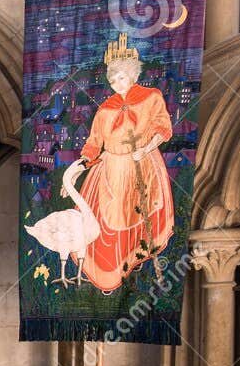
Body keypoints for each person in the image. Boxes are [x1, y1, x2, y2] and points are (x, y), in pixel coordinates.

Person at [71, 33, 175, 293]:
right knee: (108, 221)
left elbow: (163, 127)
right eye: (112, 79)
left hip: (142, 163)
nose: (117, 83)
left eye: (121, 77)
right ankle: (111, 275)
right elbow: (94, 142)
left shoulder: (151, 97)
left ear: (133, 74)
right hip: (111, 169)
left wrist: (146, 148)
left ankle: (137, 263)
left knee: (140, 214)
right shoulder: (105, 108)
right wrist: (78, 167)